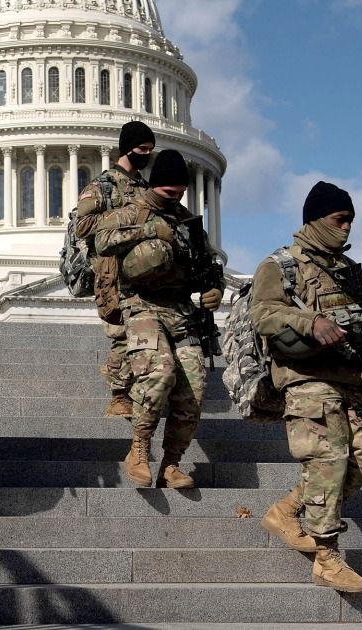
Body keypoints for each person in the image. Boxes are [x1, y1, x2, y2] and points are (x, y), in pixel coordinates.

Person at [249, 181, 362, 593]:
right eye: (340, 219)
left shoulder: (346, 270)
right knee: (327, 458)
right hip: (306, 377)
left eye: (351, 221)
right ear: (317, 219)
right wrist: (310, 322)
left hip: (352, 376)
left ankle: (287, 509)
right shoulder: (282, 265)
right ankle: (327, 558)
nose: (347, 229)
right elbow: (263, 315)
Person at [93, 149, 223, 489]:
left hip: (181, 311)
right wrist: (152, 230)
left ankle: (171, 463)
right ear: (155, 185)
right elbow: (101, 240)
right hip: (140, 304)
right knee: (159, 372)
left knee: (193, 389)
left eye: (180, 191)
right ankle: (139, 448)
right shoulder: (131, 212)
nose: (176, 196)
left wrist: (214, 291)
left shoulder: (189, 223)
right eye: (169, 191)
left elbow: (208, 266)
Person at [71, 121, 156, 418]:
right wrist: (127, 220)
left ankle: (139, 389)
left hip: (144, 269)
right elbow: (82, 226)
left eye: (150, 149)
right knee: (120, 332)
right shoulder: (101, 186)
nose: (146, 154)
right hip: (111, 271)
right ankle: (119, 395)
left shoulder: (146, 188)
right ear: (127, 148)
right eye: (142, 149)